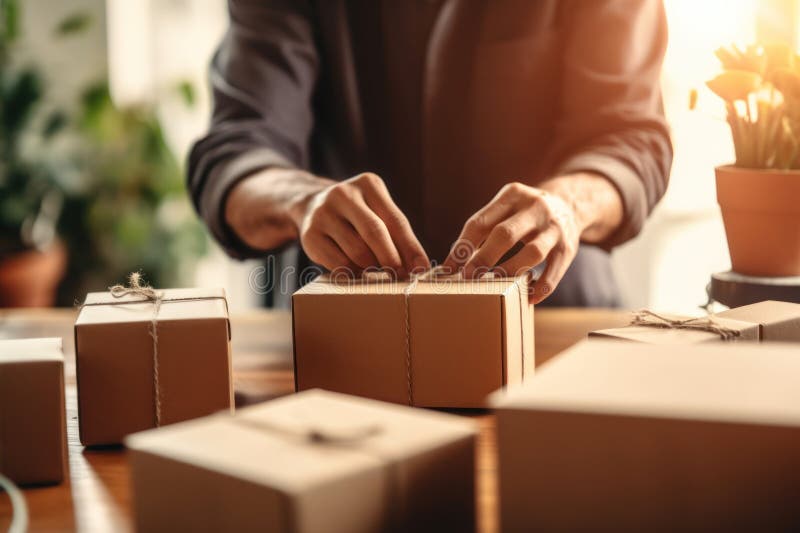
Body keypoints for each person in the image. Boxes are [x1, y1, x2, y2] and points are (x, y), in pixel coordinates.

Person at [188, 0, 672, 306]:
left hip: (550, 321)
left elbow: (631, 142)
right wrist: (301, 200)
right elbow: (236, 153)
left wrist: (567, 205)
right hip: (336, 339)